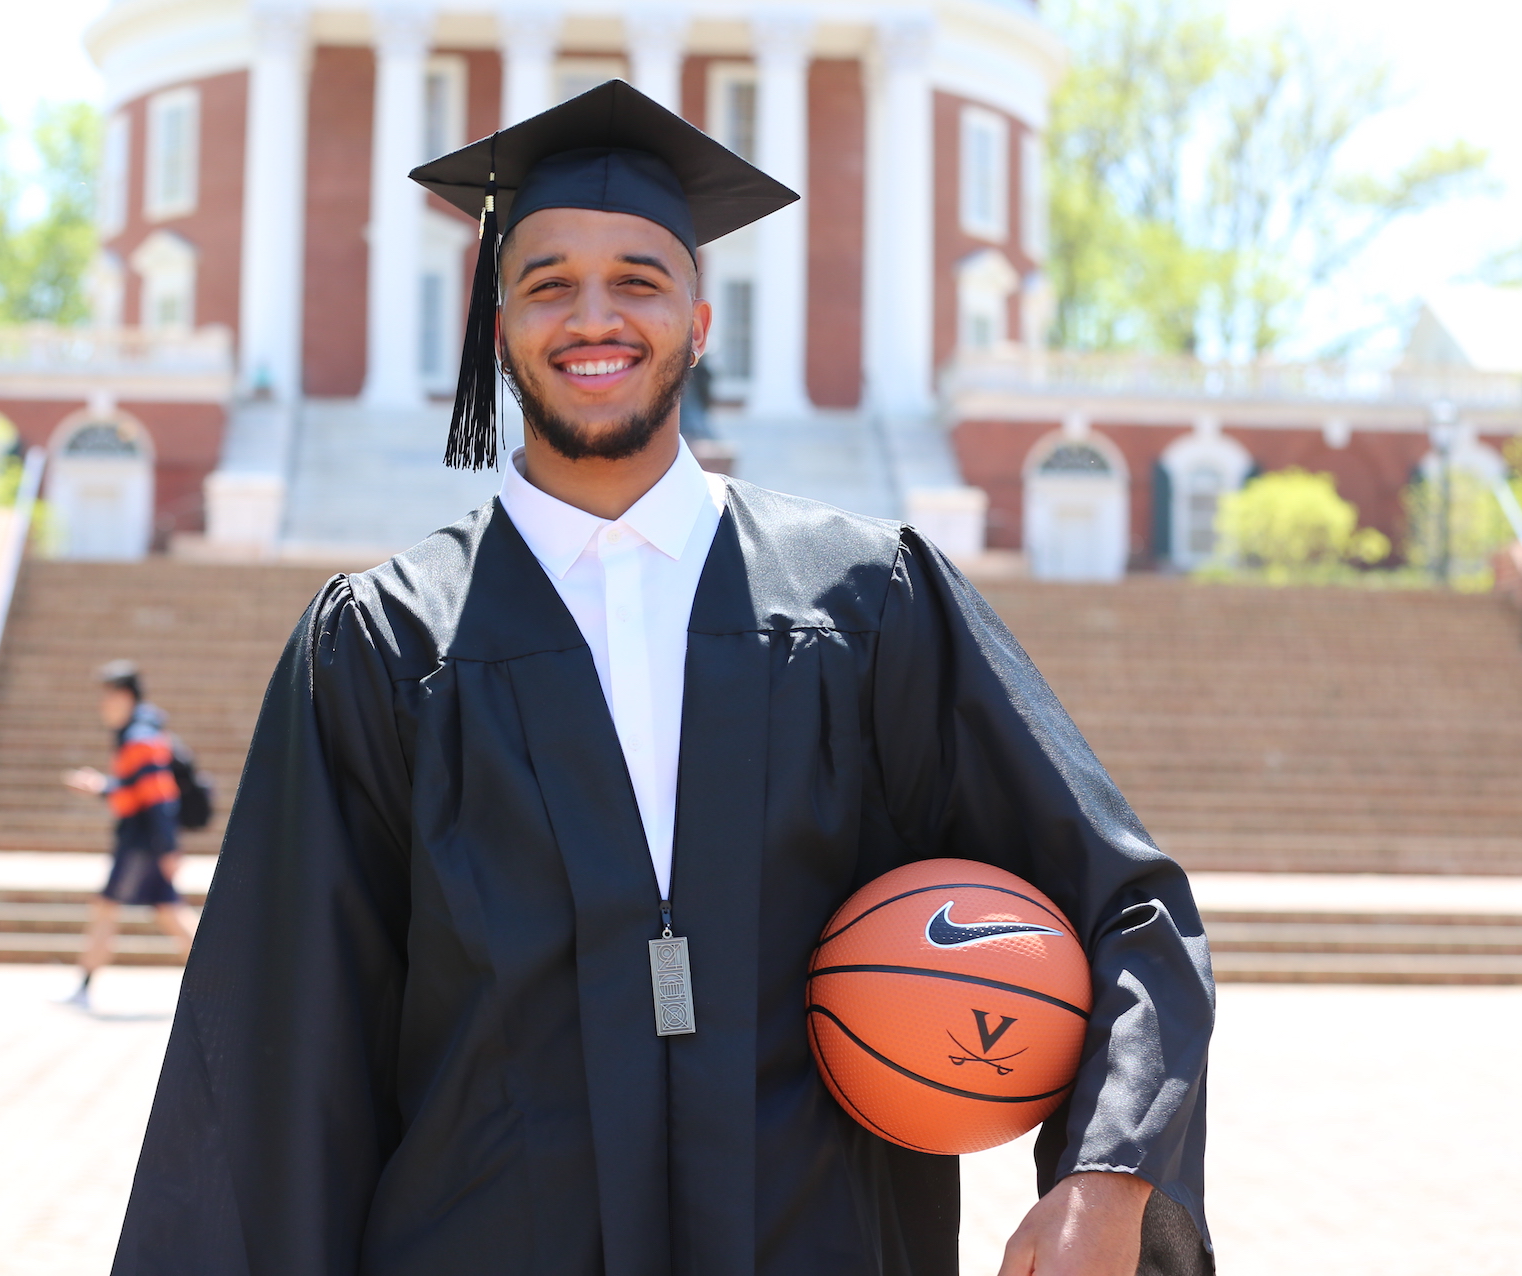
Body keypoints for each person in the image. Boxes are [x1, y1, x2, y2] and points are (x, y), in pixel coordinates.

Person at [114, 82, 1213, 1276]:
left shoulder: (866, 604)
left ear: (699, 319)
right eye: (547, 283)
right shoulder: (384, 646)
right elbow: (279, 1041)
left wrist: (1111, 1174)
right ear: (496, 327)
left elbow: (1127, 904)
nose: (595, 316)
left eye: (639, 279)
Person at [60, 660, 196, 1009]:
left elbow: (158, 797)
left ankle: (84, 987)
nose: (102, 704)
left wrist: (168, 848)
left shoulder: (140, 739)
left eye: (107, 695)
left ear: (124, 696)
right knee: (167, 912)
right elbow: (134, 791)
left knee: (110, 909)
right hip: (144, 841)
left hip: (142, 844)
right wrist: (103, 787)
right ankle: (227, 982)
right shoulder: (138, 734)